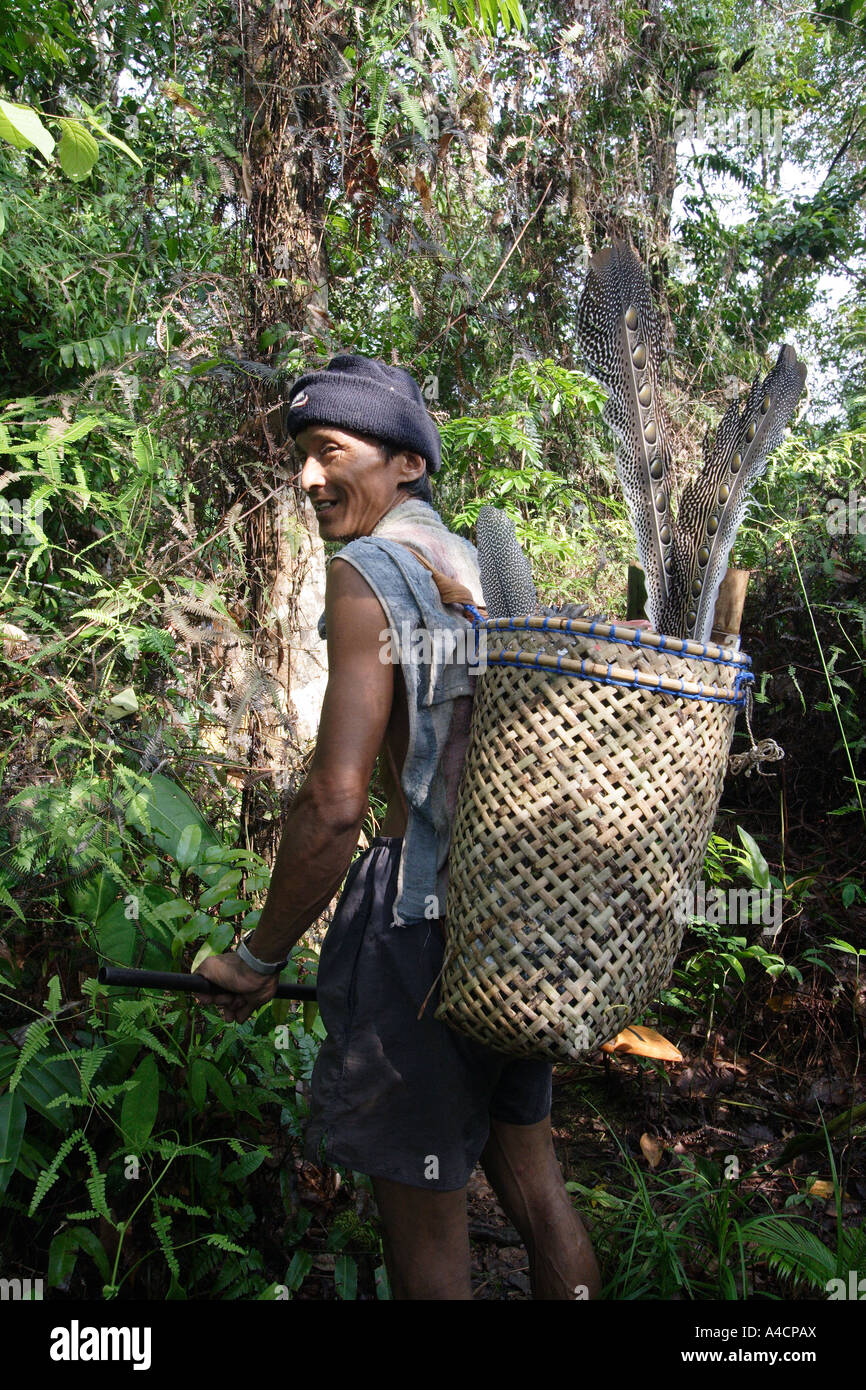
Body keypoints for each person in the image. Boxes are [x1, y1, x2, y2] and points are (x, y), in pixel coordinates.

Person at [195, 354, 601, 1301]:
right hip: (514, 923)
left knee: (428, 1237)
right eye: (300, 455)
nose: (306, 477)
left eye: (328, 450)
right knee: (539, 1194)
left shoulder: (369, 570)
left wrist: (257, 959)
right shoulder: (474, 567)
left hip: (420, 936)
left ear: (407, 461)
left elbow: (336, 805)